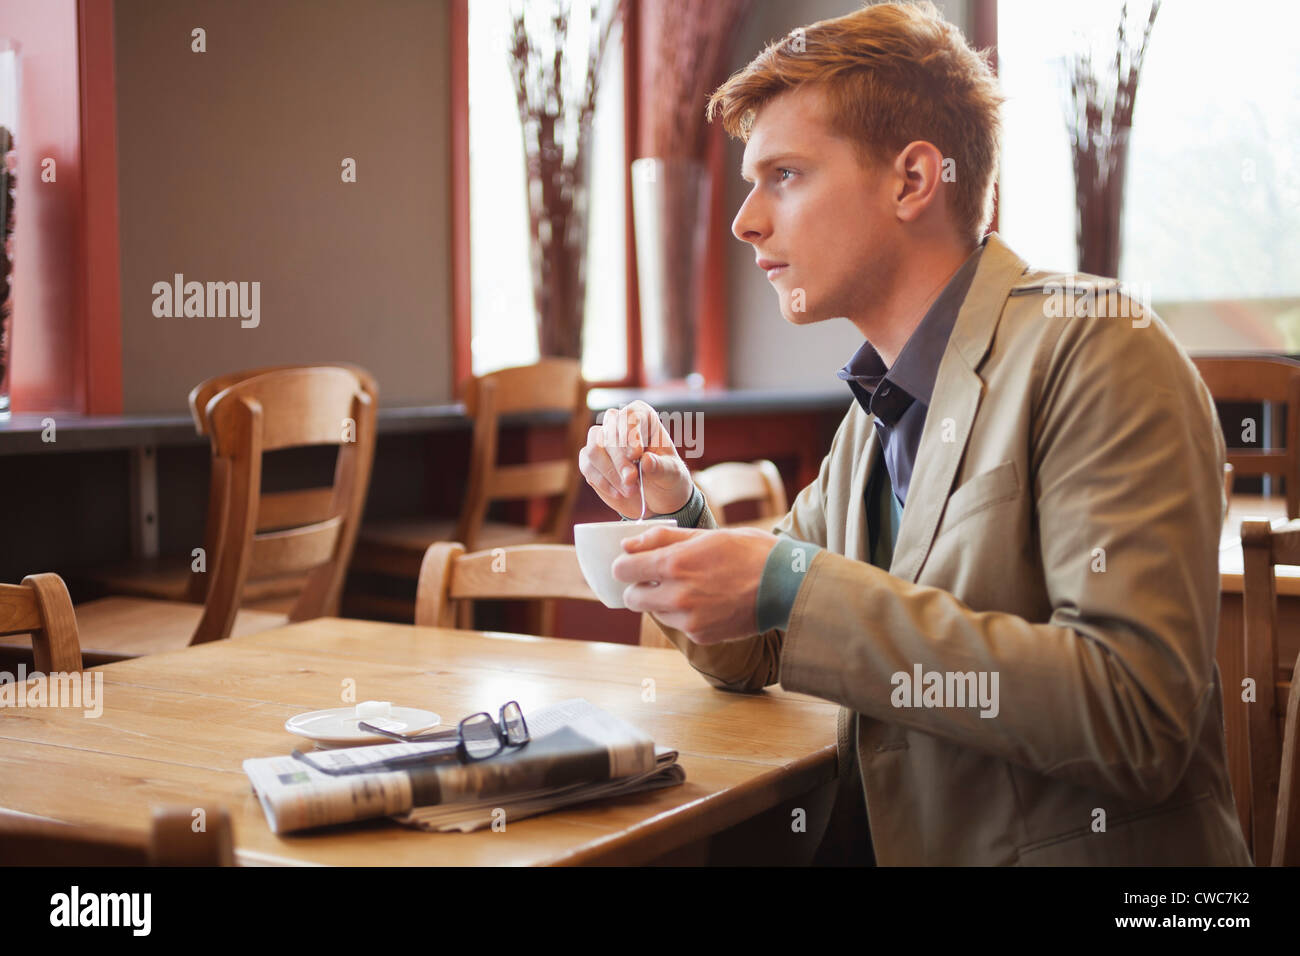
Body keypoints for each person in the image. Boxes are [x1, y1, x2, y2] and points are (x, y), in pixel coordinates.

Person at [577, 1, 1250, 865]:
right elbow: (757, 647)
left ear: (913, 180)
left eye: (784, 175)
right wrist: (680, 509)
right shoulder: (873, 417)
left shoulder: (1101, 347)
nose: (746, 220)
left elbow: (1133, 719)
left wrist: (795, 579)